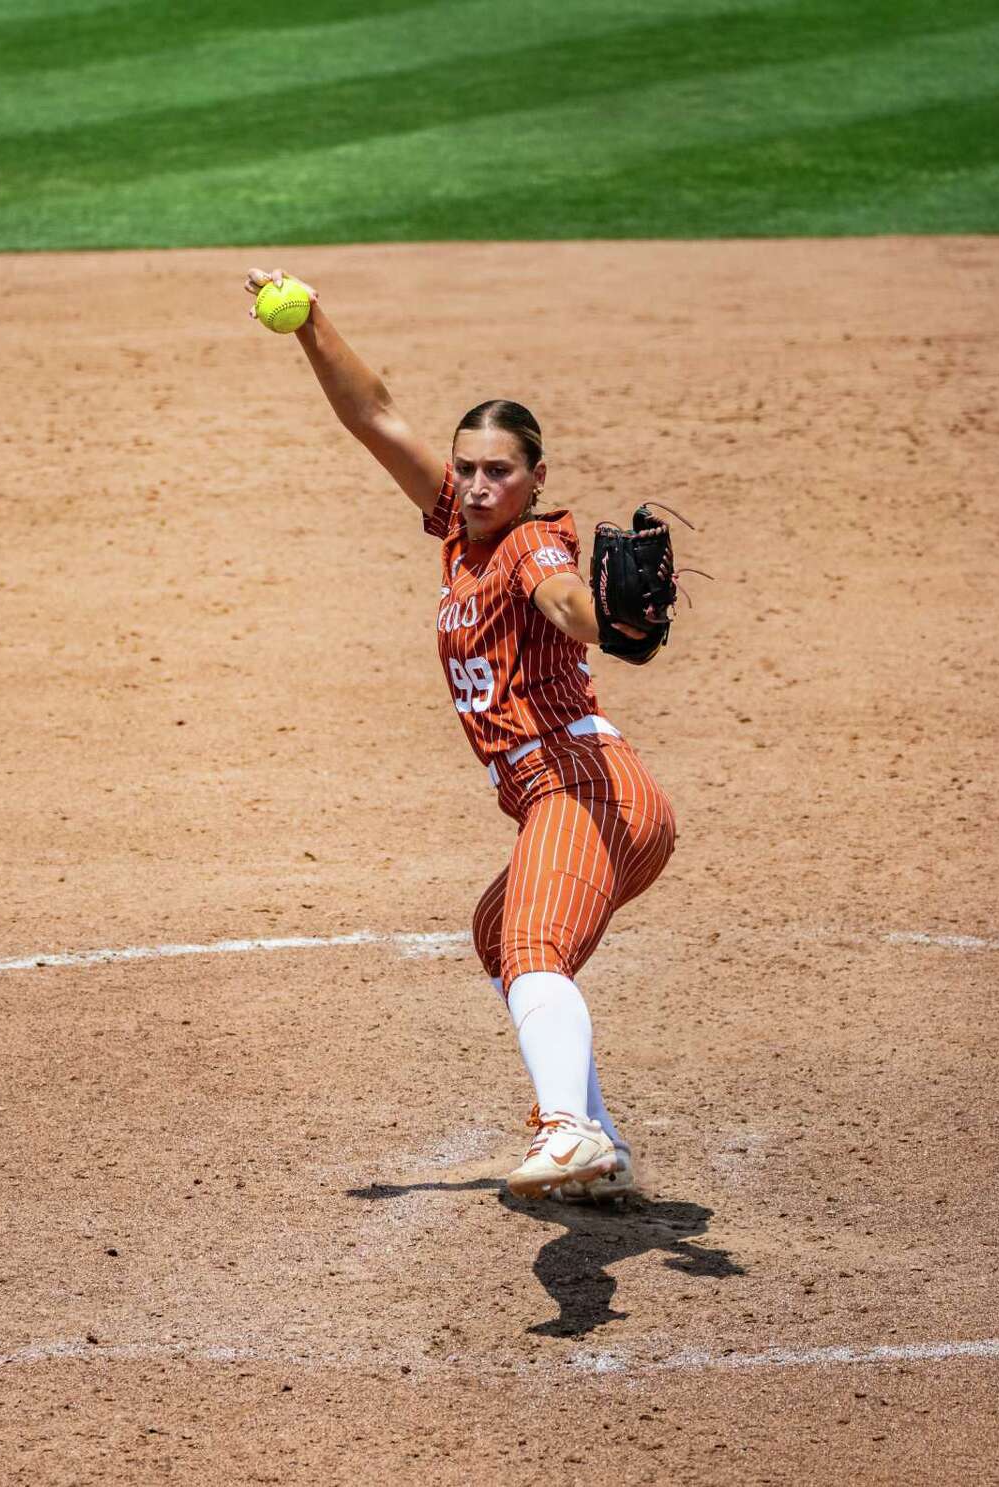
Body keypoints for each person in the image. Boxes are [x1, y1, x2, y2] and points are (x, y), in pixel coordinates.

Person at [245, 268, 680, 1202]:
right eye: (470, 468)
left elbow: (567, 603)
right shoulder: (457, 529)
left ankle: (568, 1130)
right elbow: (376, 417)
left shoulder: (532, 544)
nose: (480, 485)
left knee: (528, 942)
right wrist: (311, 323)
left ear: (536, 480)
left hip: (587, 787)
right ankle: (599, 1141)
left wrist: (615, 629)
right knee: (500, 934)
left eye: (500, 471)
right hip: (562, 799)